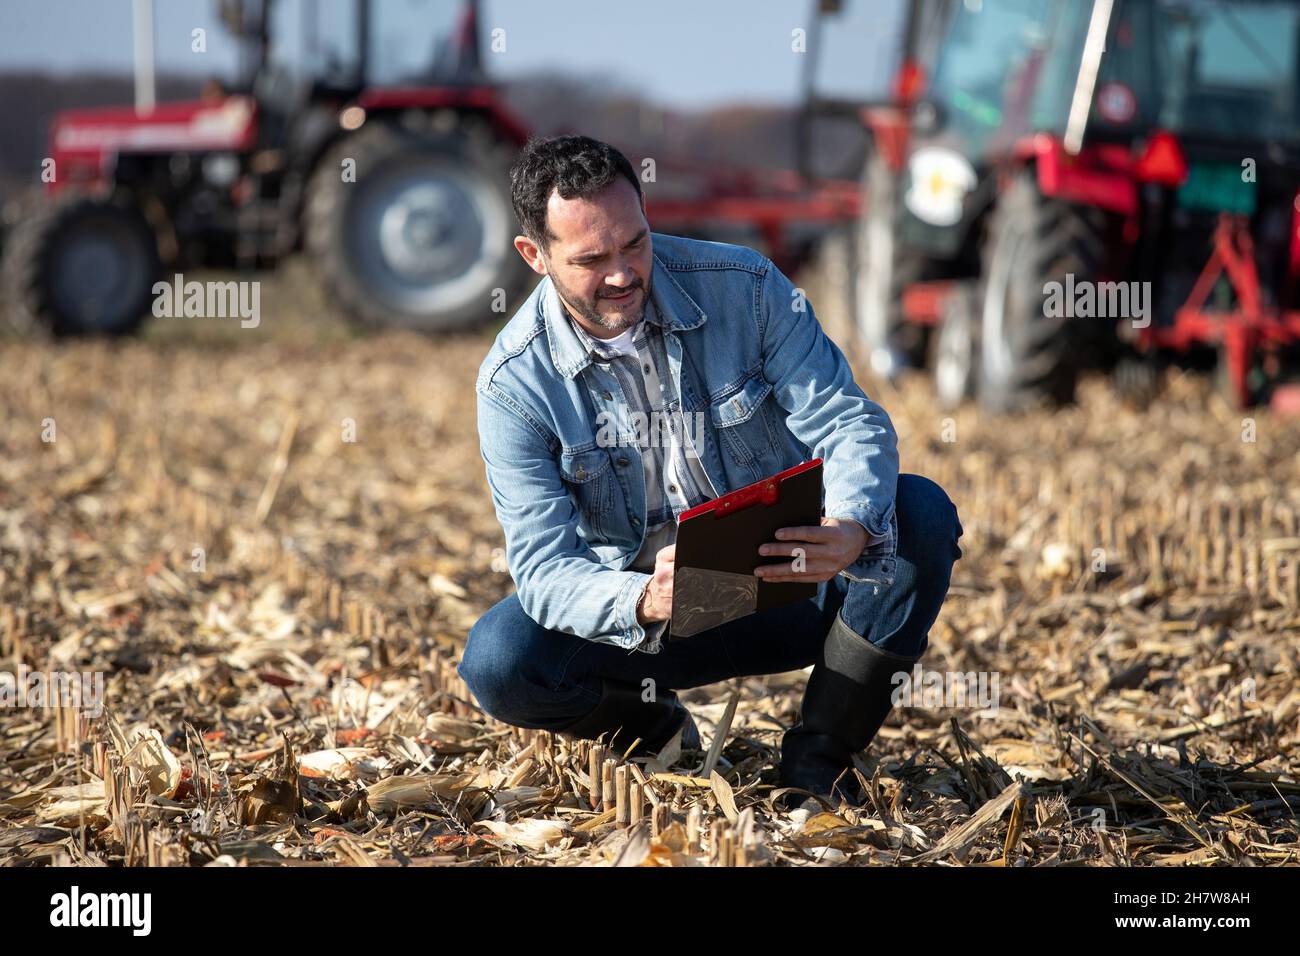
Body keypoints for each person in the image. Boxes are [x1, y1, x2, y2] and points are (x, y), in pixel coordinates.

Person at [461, 134, 963, 808]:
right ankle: (654, 730)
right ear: (535, 256)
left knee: (916, 515)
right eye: (590, 259)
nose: (623, 273)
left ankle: (820, 764)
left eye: (634, 243)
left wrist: (847, 527)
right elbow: (545, 573)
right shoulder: (514, 384)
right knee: (500, 660)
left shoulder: (746, 288)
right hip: (650, 626)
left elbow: (848, 421)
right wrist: (643, 600)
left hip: (790, 587)